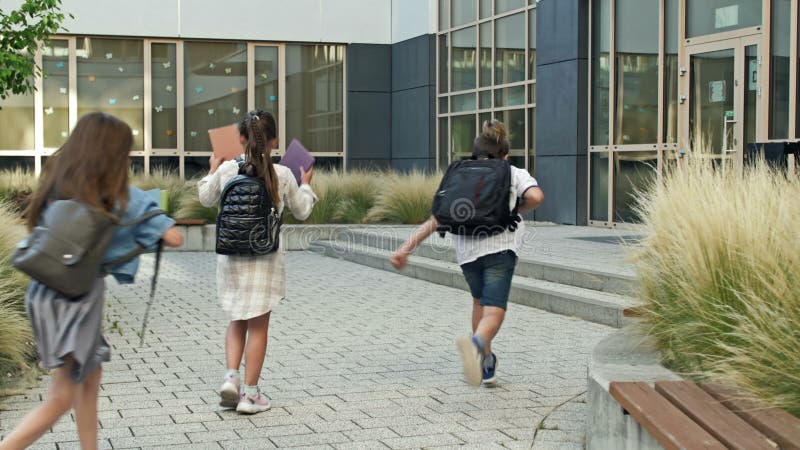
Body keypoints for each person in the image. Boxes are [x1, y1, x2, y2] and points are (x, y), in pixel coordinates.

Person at [0, 112, 184, 450]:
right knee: (61, 396)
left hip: (44, 292)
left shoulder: (57, 181)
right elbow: (173, 237)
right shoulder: (117, 195)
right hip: (75, 300)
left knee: (90, 375)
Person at [391, 119, 544, 387]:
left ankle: (486, 364)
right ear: (505, 154)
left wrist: (405, 249)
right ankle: (476, 344)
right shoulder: (514, 172)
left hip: (467, 253)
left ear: (474, 152)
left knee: (478, 303)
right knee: (494, 310)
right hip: (500, 249)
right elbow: (536, 198)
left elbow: (439, 217)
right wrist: (513, 210)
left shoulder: (461, 174)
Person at [198, 110, 317, 414]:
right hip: (265, 259)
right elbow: (302, 211)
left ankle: (230, 378)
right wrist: (305, 184)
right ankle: (251, 396)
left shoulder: (227, 170)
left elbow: (205, 198)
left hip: (232, 258)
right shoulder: (283, 174)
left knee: (236, 318)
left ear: (241, 139)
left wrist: (212, 170)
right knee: (259, 326)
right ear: (274, 141)